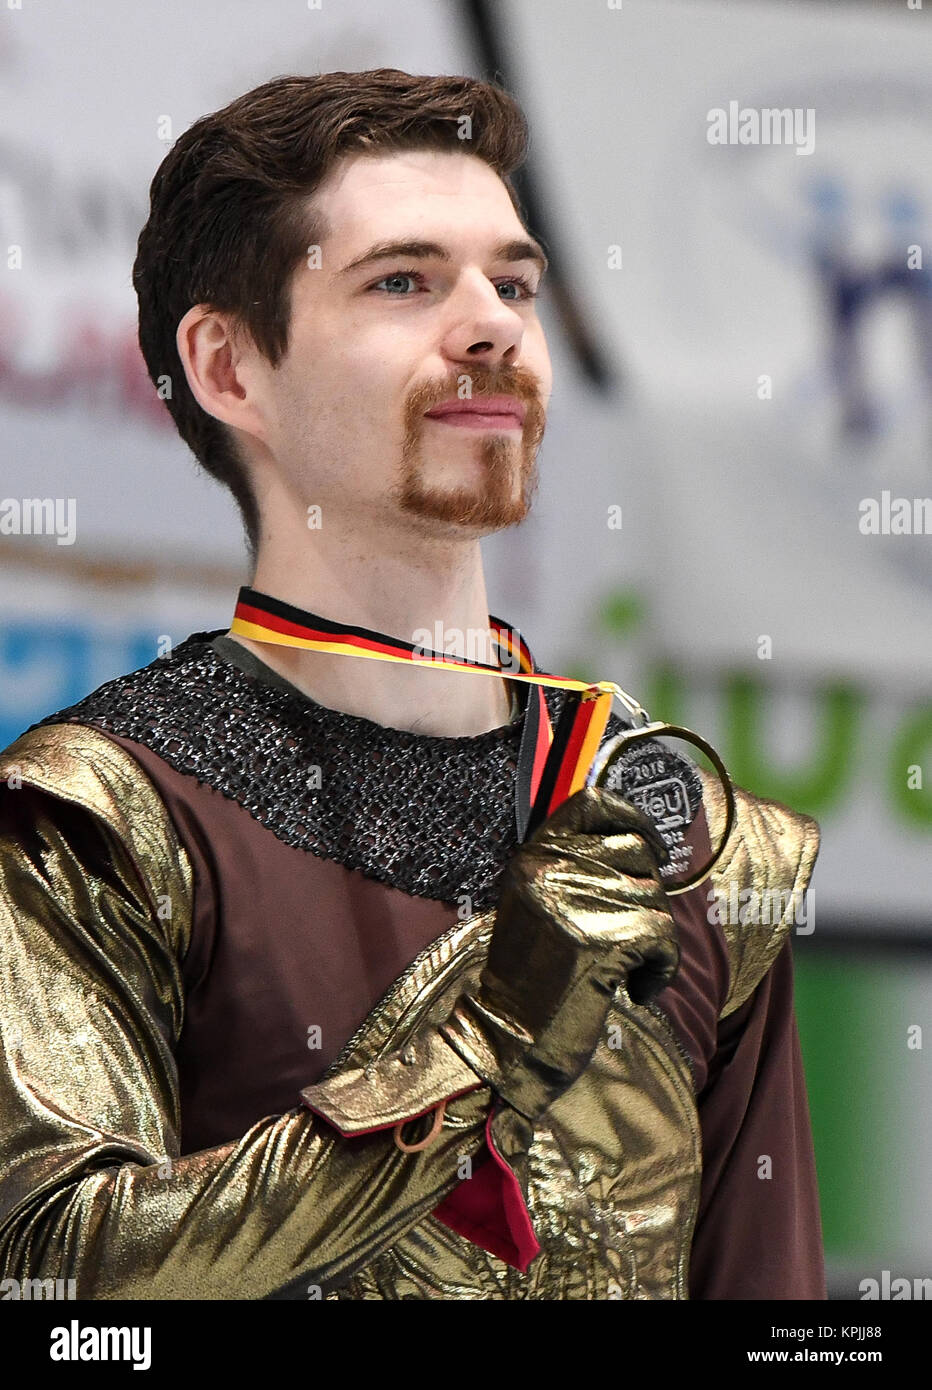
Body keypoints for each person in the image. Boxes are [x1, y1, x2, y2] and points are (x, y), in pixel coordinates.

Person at [0, 69, 825, 1300]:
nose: (489, 322)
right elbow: (54, 1283)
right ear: (228, 368)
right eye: (402, 281)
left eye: (514, 282)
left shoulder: (685, 835)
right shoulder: (102, 814)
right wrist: (486, 1044)